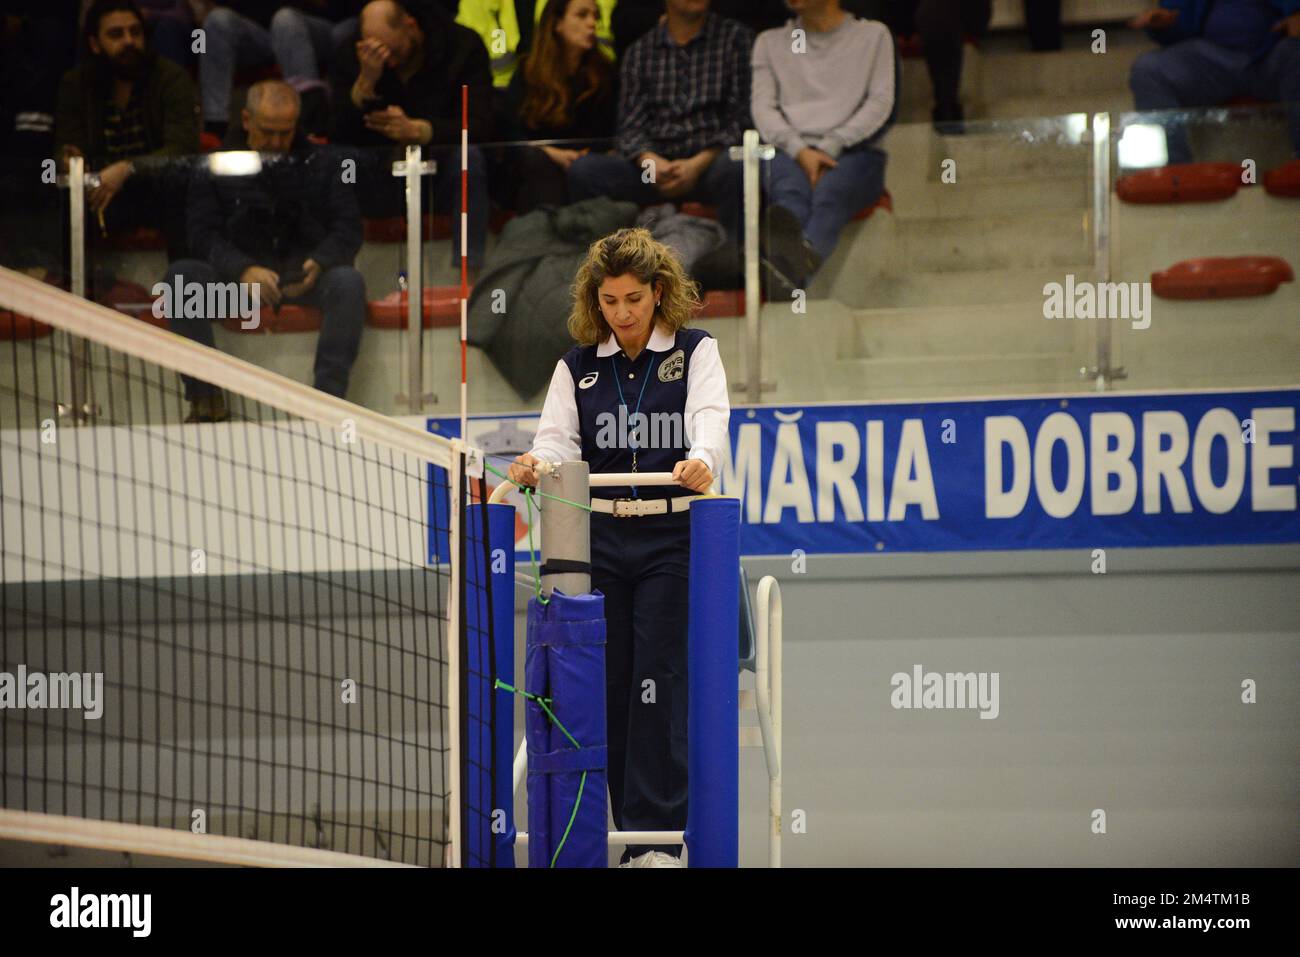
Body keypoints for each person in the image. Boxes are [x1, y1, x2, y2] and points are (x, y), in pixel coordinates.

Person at [507, 227, 730, 868]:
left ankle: (655, 847)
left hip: (669, 541)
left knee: (655, 687)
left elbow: (711, 421)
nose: (623, 313)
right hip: (598, 541)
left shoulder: (695, 352)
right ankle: (610, 839)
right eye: (609, 301)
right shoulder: (576, 367)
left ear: (658, 294)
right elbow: (556, 444)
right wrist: (534, 462)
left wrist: (700, 460)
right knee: (604, 689)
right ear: (594, 300)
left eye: (634, 298)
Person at [164, 80, 366, 420]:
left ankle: (328, 403)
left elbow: (349, 228)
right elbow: (200, 234)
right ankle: (205, 399)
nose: (276, 143)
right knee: (182, 279)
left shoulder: (324, 163)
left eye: (285, 133)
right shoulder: (212, 165)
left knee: (348, 283)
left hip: (305, 280)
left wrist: (319, 262)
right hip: (238, 286)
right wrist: (243, 270)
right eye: (267, 132)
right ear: (246, 120)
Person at [566, 0, 752, 244]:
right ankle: (611, 261)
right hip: (653, 170)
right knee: (584, 171)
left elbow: (741, 117)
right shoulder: (640, 51)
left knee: (740, 164)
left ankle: (732, 262)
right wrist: (651, 163)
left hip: (711, 164)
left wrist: (696, 165)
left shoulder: (737, 39)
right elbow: (630, 126)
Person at [332, 0, 493, 274]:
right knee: (341, 162)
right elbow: (336, 133)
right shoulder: (352, 52)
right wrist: (365, 84)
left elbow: (483, 124)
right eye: (380, 54)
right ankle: (339, 268)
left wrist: (422, 131)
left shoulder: (462, 45)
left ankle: (469, 273)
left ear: (410, 26)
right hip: (380, 172)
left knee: (470, 158)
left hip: (439, 170)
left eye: (393, 52)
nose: (389, 62)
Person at [751, 0, 894, 290]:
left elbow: (880, 103)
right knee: (788, 193)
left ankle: (787, 275)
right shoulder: (768, 42)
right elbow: (763, 109)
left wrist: (830, 147)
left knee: (831, 193)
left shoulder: (874, 35)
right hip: (785, 151)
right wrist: (799, 150)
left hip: (854, 151)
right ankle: (791, 274)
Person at [56, 0, 200, 259]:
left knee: (186, 195)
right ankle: (72, 290)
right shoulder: (76, 84)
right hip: (101, 189)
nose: (129, 41)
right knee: (68, 202)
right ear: (94, 44)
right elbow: (66, 144)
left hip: (158, 187)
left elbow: (183, 148)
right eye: (116, 34)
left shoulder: (171, 78)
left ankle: (184, 289)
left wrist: (129, 168)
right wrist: (70, 160)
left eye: (135, 32)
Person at [1129, 0, 1300, 164]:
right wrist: (1163, 24)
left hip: (1274, 52)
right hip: (1213, 58)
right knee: (1149, 70)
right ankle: (1174, 176)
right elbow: (1178, 23)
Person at [499, 0, 618, 212]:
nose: (592, 24)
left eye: (595, 16)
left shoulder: (605, 74)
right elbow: (510, 133)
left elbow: (613, 132)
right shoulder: (529, 72)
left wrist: (588, 157)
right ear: (557, 23)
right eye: (582, 15)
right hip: (539, 167)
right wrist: (550, 153)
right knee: (537, 164)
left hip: (590, 169)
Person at [195, 2, 363, 139]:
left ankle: (311, 122)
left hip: (329, 29)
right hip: (264, 31)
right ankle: (215, 125)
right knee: (218, 19)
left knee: (286, 19)